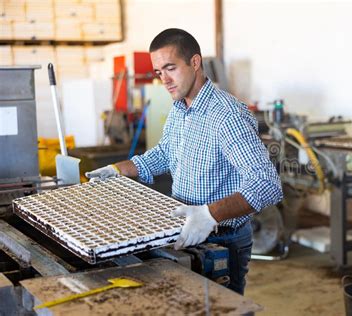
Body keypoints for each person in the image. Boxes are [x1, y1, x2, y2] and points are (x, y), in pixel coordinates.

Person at [85, 28, 283, 295]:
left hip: (222, 240)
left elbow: (266, 183)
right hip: (185, 232)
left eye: (170, 68)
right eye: (158, 72)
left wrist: (209, 214)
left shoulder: (227, 116)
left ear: (195, 62)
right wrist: (116, 170)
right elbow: (165, 153)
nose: (164, 80)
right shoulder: (180, 108)